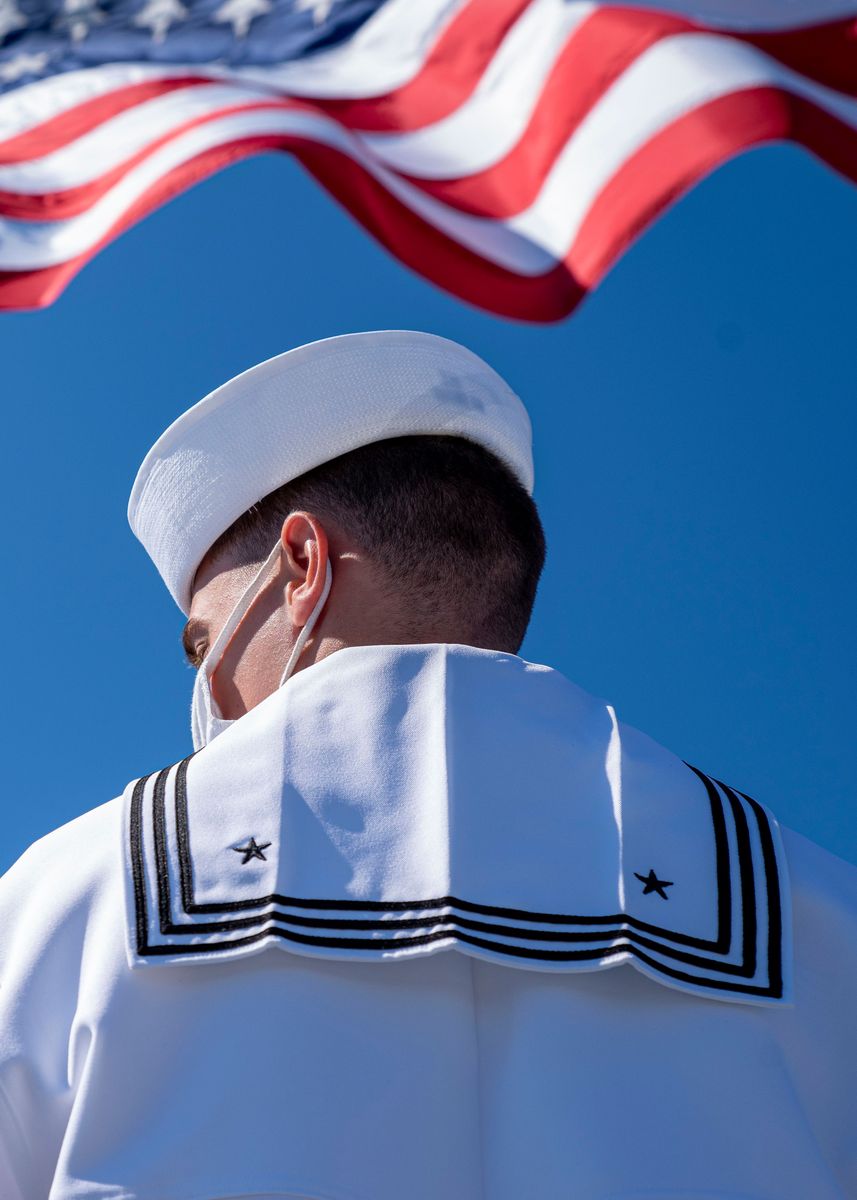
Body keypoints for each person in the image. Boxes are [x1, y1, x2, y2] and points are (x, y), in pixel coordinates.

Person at [1, 329, 855, 1200]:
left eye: (202, 641)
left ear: (302, 566)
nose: (208, 686)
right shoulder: (818, 913)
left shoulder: (70, 895)